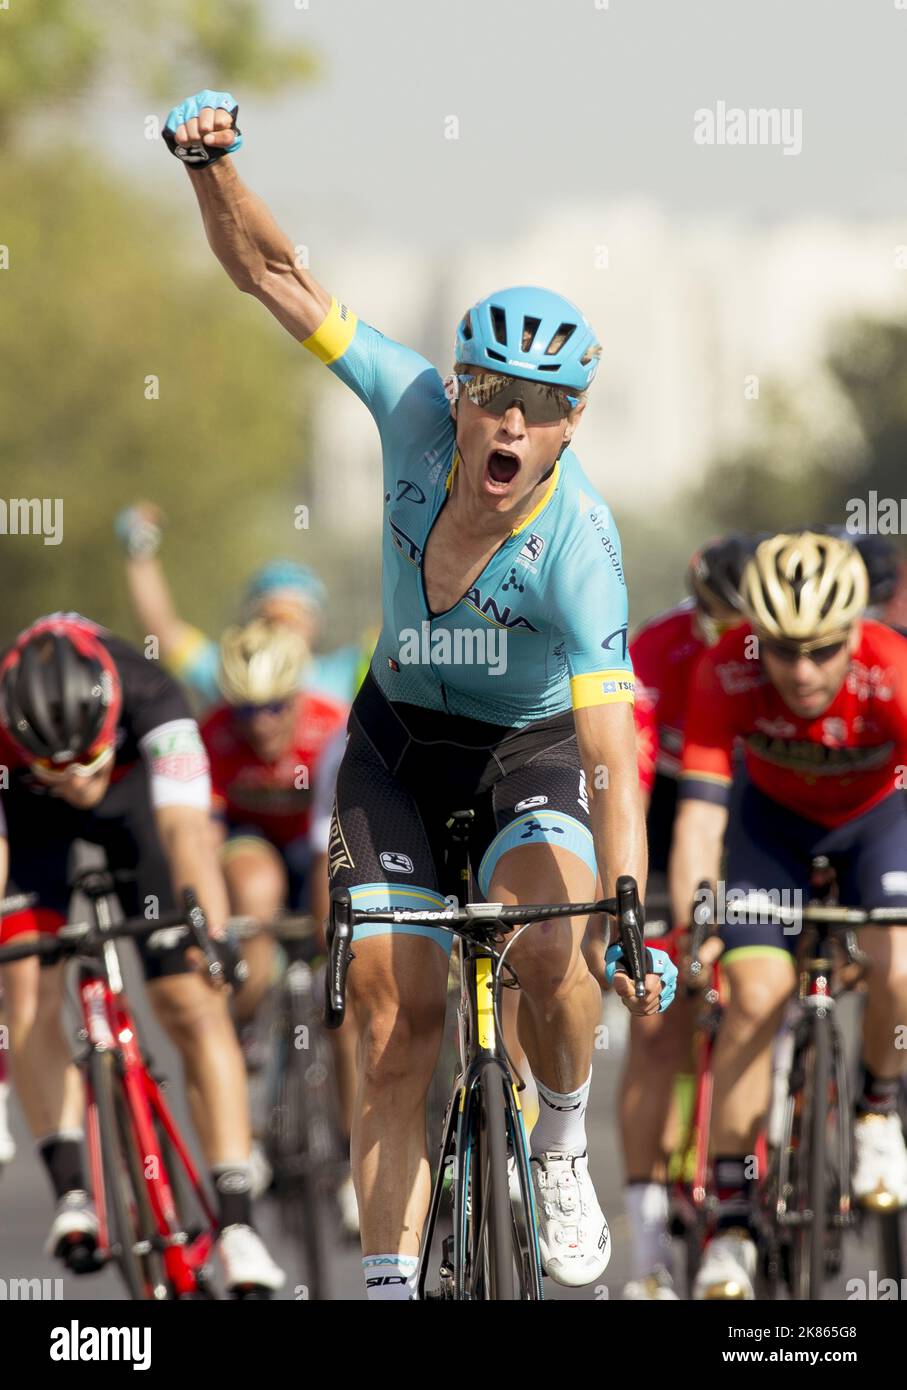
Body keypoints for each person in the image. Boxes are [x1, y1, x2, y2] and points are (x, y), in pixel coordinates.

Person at [161, 88, 679, 1298]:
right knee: (391, 1018)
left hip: (531, 752)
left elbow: (609, 742)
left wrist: (627, 903)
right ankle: (389, 1284)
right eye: (491, 391)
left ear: (571, 425)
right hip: (397, 748)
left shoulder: (581, 547)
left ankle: (556, 1139)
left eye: (540, 408)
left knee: (555, 951)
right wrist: (212, 169)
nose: (510, 422)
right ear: (454, 389)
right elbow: (277, 276)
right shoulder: (406, 409)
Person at [0, 613, 284, 1293]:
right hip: (32, 827)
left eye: (85, 759)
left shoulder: (152, 691)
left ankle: (238, 1226)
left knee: (191, 1000)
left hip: (141, 812)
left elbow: (187, 830)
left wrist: (208, 930)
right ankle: (72, 1190)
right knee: (27, 987)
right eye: (55, 766)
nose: (73, 779)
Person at [670, 532, 907, 1299]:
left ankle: (876, 1108)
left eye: (821, 651)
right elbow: (699, 822)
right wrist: (693, 929)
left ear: (853, 634)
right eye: (781, 650)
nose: (801, 672)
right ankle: (732, 1219)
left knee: (896, 963)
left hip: (878, 821)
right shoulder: (723, 667)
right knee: (753, 999)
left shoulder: (893, 668)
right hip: (767, 828)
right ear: (754, 638)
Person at [617, 533, 755, 1300]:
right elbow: (630, 798)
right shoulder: (657, 651)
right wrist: (634, 909)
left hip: (757, 806)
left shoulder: (782, 652)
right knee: (656, 1015)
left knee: (760, 984)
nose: (729, 635)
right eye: (716, 618)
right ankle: (646, 1252)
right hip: (669, 810)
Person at [200, 618, 357, 1228]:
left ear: (297, 696)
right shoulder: (213, 738)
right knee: (252, 887)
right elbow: (204, 838)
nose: (260, 723)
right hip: (252, 848)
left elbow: (343, 835)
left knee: (342, 987)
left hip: (320, 845)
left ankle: (351, 1160)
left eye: (273, 707)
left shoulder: (330, 724)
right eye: (246, 710)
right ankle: (252, 1030)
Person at [114, 501, 371, 706]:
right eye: (270, 620)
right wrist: (140, 551)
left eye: (293, 620)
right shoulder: (225, 673)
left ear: (315, 625)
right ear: (248, 623)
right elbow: (164, 633)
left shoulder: (344, 675)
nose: (282, 631)